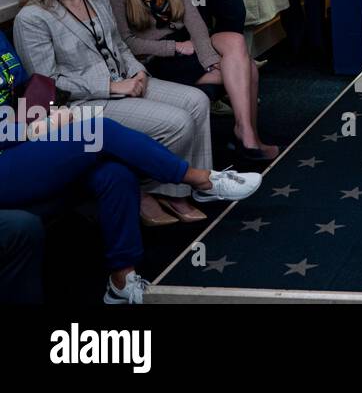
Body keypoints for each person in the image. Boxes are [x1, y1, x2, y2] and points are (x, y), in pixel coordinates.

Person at [1, 30, 261, 304]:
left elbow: (22, 93)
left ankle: (121, 280)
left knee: (114, 173)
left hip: (26, 139)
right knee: (97, 130)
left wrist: (44, 115)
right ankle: (201, 180)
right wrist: (31, 129)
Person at [13, 0, 218, 225]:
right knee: (178, 122)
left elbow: (120, 45)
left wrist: (138, 72)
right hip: (82, 103)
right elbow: (48, 81)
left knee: (197, 100)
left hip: (126, 80)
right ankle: (144, 191)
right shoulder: (32, 18)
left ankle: (175, 192)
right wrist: (110, 86)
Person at [105, 0, 279, 161]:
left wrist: (209, 60)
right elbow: (127, 43)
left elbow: (194, 19)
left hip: (191, 43)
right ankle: (248, 136)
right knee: (247, 68)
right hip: (160, 56)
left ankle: (246, 133)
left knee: (235, 40)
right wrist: (175, 48)